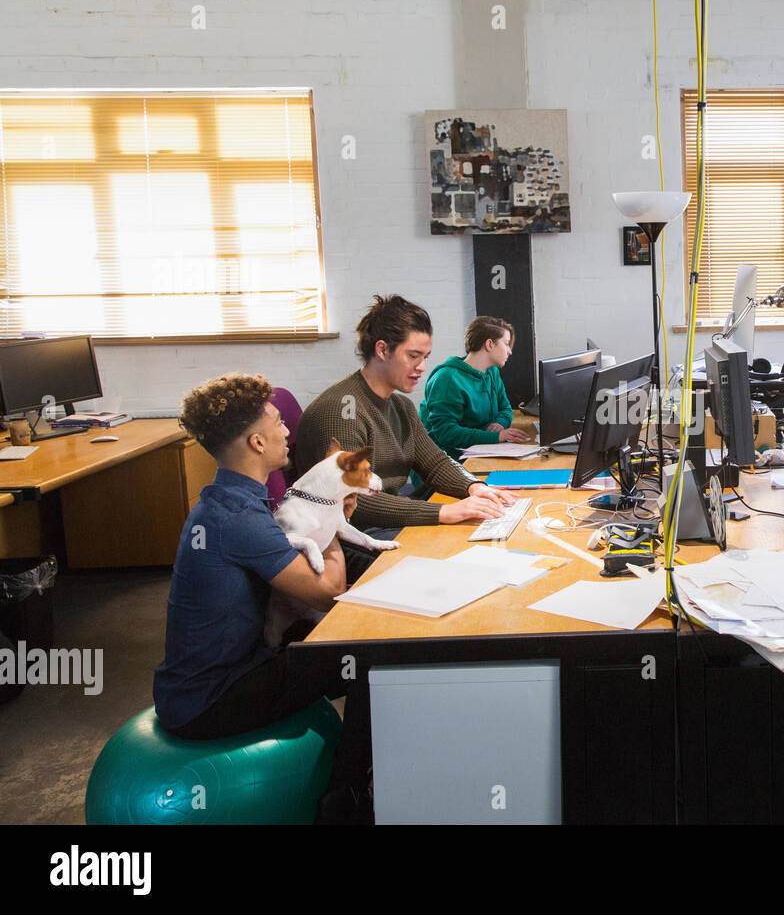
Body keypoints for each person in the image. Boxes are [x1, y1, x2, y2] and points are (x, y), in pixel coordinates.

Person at [153, 373, 372, 822]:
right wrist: (329, 526)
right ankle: (346, 798)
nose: (287, 430)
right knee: (368, 660)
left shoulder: (229, 499)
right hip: (211, 699)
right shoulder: (238, 517)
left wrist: (330, 517)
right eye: (277, 422)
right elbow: (329, 591)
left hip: (217, 674)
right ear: (257, 442)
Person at [295, 295, 517, 580]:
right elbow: (354, 502)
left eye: (424, 357)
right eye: (413, 356)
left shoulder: (399, 405)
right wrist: (443, 512)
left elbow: (434, 461)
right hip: (352, 537)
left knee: (488, 544)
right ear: (383, 350)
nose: (422, 367)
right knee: (470, 567)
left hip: (386, 522)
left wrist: (473, 487)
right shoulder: (343, 409)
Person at [419, 315, 531, 460]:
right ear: (489, 344)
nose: (510, 351)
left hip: (479, 451)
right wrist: (497, 436)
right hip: (446, 462)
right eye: (506, 343)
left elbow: (506, 408)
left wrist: (499, 423)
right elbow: (446, 433)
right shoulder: (447, 379)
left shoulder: (492, 371)